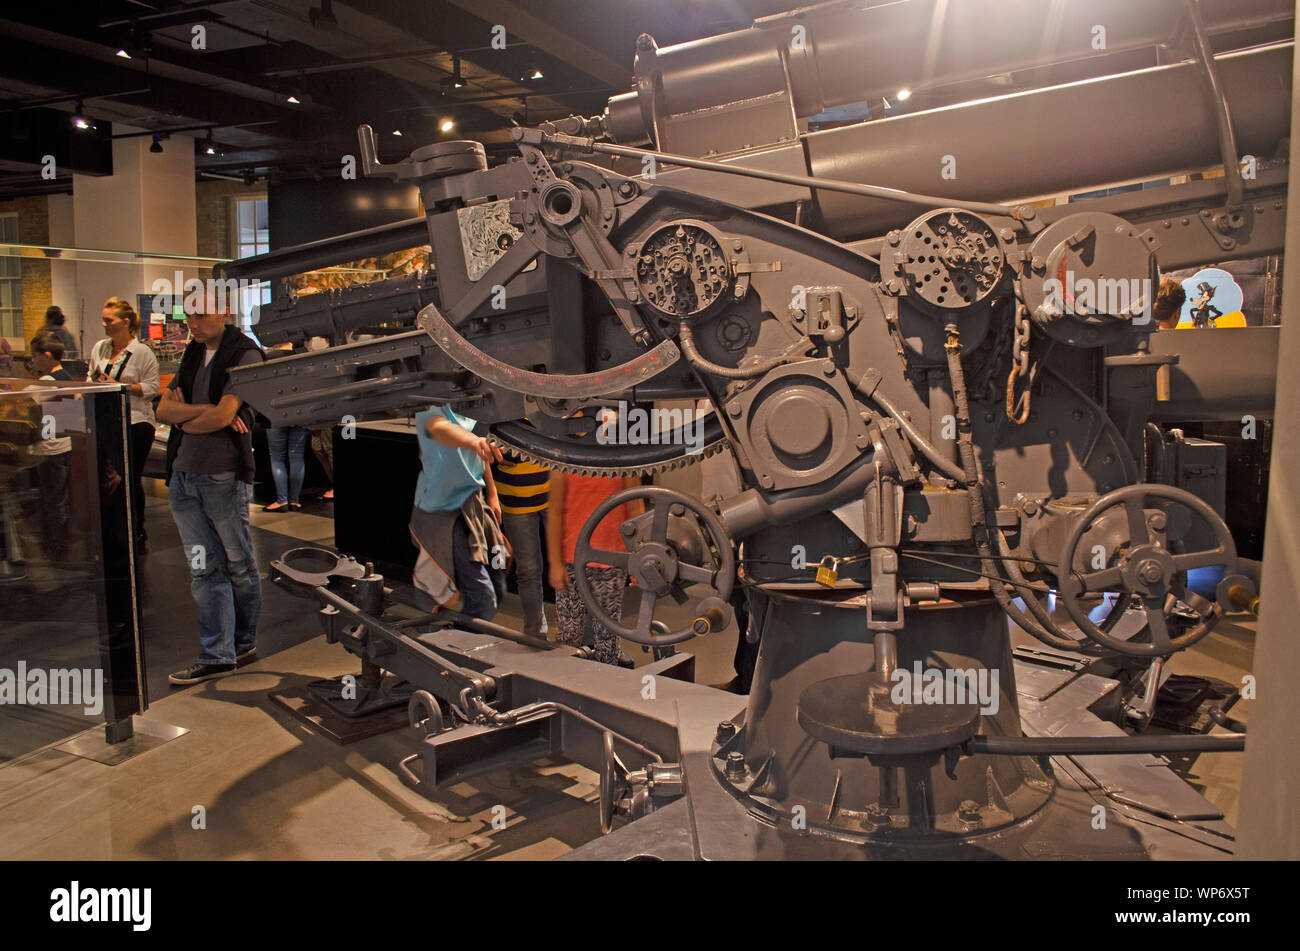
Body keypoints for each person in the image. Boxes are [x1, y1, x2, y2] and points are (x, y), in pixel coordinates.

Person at [155, 304, 265, 685]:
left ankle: (243, 642)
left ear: (224, 311)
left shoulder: (245, 353)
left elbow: (224, 417)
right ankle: (218, 654)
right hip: (184, 475)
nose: (193, 323)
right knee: (204, 569)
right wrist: (200, 410)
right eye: (189, 316)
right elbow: (163, 409)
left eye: (200, 315)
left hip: (222, 474)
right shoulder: (191, 352)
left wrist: (185, 415)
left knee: (238, 563)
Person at [409, 405, 509, 621]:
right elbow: (439, 427)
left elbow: (481, 450)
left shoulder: (471, 405)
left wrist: (492, 494)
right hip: (442, 511)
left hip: (473, 503)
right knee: (483, 597)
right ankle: (459, 647)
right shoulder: (430, 406)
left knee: (498, 581)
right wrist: (474, 441)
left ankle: (463, 637)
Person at [547, 466, 644, 665]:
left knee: (608, 634)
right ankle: (566, 683)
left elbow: (635, 508)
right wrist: (556, 563)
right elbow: (555, 513)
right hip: (571, 562)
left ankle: (604, 685)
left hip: (611, 560)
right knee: (568, 633)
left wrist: (639, 559)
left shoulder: (622, 460)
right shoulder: (563, 462)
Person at [87, 297, 160, 548]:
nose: (104, 324)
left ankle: (135, 530)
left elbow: (151, 388)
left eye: (109, 320)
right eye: (104, 320)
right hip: (106, 421)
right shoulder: (100, 348)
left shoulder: (142, 353)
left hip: (135, 422)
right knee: (106, 479)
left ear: (125, 322)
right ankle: (111, 530)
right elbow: (90, 378)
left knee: (128, 477)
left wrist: (119, 386)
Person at [27, 331, 74, 561]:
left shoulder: (48, 382)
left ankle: (55, 548)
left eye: (35, 356)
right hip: (63, 446)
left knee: (52, 501)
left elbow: (22, 401)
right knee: (58, 499)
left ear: (47, 355)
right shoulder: (67, 376)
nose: (33, 361)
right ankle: (58, 545)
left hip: (49, 449)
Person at [491, 454, 549, 639]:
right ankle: (535, 636)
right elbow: (487, 444)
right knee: (528, 570)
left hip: (555, 492)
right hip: (514, 498)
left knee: (570, 566)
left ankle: (579, 637)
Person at [264, 425, 309, 511]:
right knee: (297, 455)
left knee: (277, 458)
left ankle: (282, 501)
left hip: (275, 415)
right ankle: (294, 501)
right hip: (300, 415)